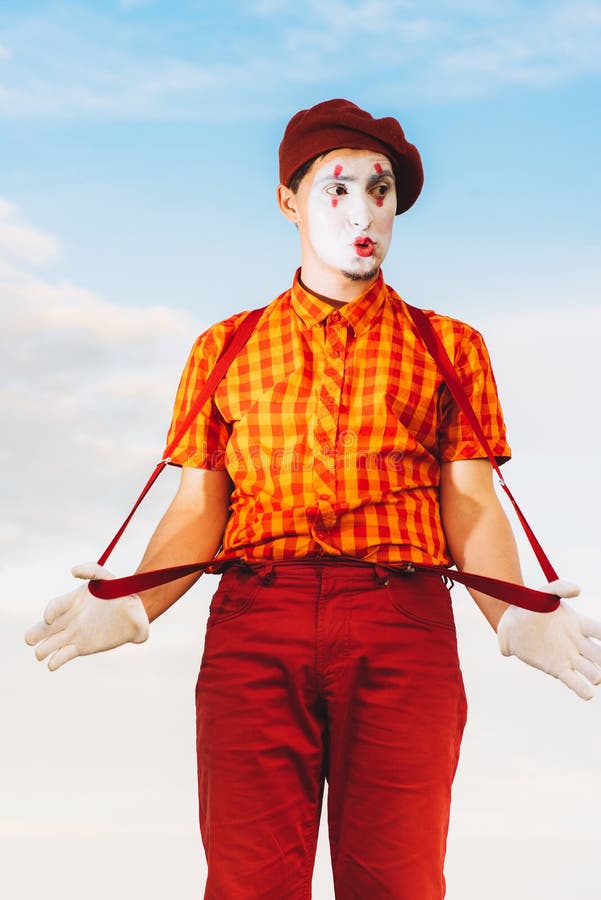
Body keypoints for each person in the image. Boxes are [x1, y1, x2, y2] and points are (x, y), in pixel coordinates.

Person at [25, 99, 601, 900]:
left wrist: (510, 611)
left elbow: (468, 500)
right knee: (247, 882)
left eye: (381, 190)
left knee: (398, 882)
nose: (363, 210)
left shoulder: (451, 346)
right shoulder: (223, 348)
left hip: (400, 625)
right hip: (256, 623)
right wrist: (134, 604)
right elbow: (199, 507)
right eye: (337, 188)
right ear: (287, 201)